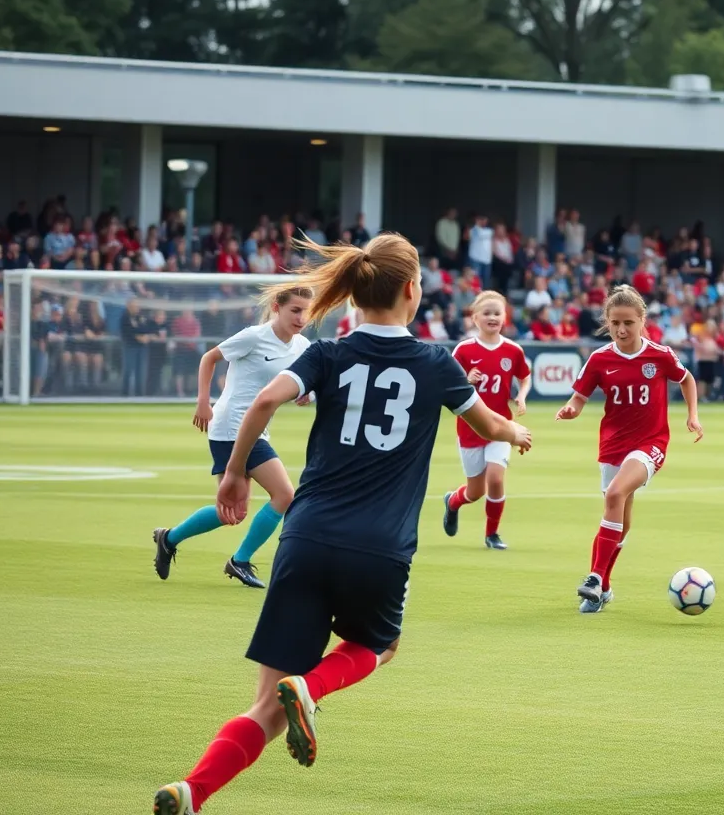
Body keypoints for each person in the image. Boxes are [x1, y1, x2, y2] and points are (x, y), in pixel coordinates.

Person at [153, 234, 531, 815]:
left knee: (265, 708)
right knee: (382, 644)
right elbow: (486, 425)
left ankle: (192, 790)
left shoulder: (327, 354)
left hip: (304, 539)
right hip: (379, 548)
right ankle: (314, 686)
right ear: (412, 291)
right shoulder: (435, 363)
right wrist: (516, 433)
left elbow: (260, 404)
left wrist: (233, 473)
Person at [151, 286, 313, 588]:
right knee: (284, 494)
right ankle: (239, 561)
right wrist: (203, 401)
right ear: (277, 308)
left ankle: (168, 538)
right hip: (229, 427)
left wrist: (306, 393)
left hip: (256, 428)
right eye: (295, 310)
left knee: (232, 513)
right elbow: (209, 358)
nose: (302, 317)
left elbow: (300, 382)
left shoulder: (301, 345)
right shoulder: (254, 336)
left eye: (306, 311)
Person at [555, 285, 702, 614]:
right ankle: (604, 588)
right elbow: (579, 396)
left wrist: (692, 416)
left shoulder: (659, 355)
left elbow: (686, 378)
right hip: (612, 446)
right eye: (615, 323)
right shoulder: (599, 359)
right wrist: (571, 409)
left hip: (650, 443)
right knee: (620, 515)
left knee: (615, 494)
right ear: (607, 322)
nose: (622, 330)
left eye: (629, 323)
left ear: (642, 320)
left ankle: (593, 578)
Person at [442, 291, 532, 550]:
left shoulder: (512, 350)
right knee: (475, 491)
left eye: (498, 313)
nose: (493, 317)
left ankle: (492, 534)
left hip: (502, 425)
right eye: (487, 313)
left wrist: (522, 396)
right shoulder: (464, 350)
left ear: (505, 317)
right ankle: (453, 502)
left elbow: (524, 377)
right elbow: (450, 384)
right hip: (470, 427)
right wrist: (466, 381)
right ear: (474, 318)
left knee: (495, 479)